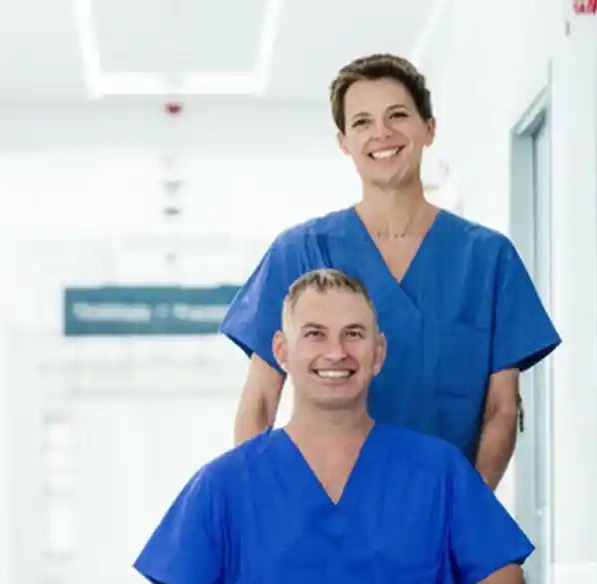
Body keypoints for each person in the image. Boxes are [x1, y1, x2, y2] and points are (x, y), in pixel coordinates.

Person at [136, 270, 533, 584]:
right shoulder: (226, 484)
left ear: (378, 352)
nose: (336, 352)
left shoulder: (437, 471)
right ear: (282, 352)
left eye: (354, 335)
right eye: (315, 334)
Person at [221, 53, 559, 489]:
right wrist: (257, 508)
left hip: (440, 515)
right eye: (361, 122)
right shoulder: (299, 252)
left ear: (429, 128)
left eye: (397, 115)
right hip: (320, 514)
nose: (381, 133)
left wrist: (465, 520)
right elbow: (260, 401)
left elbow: (502, 410)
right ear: (343, 140)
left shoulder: (489, 259)